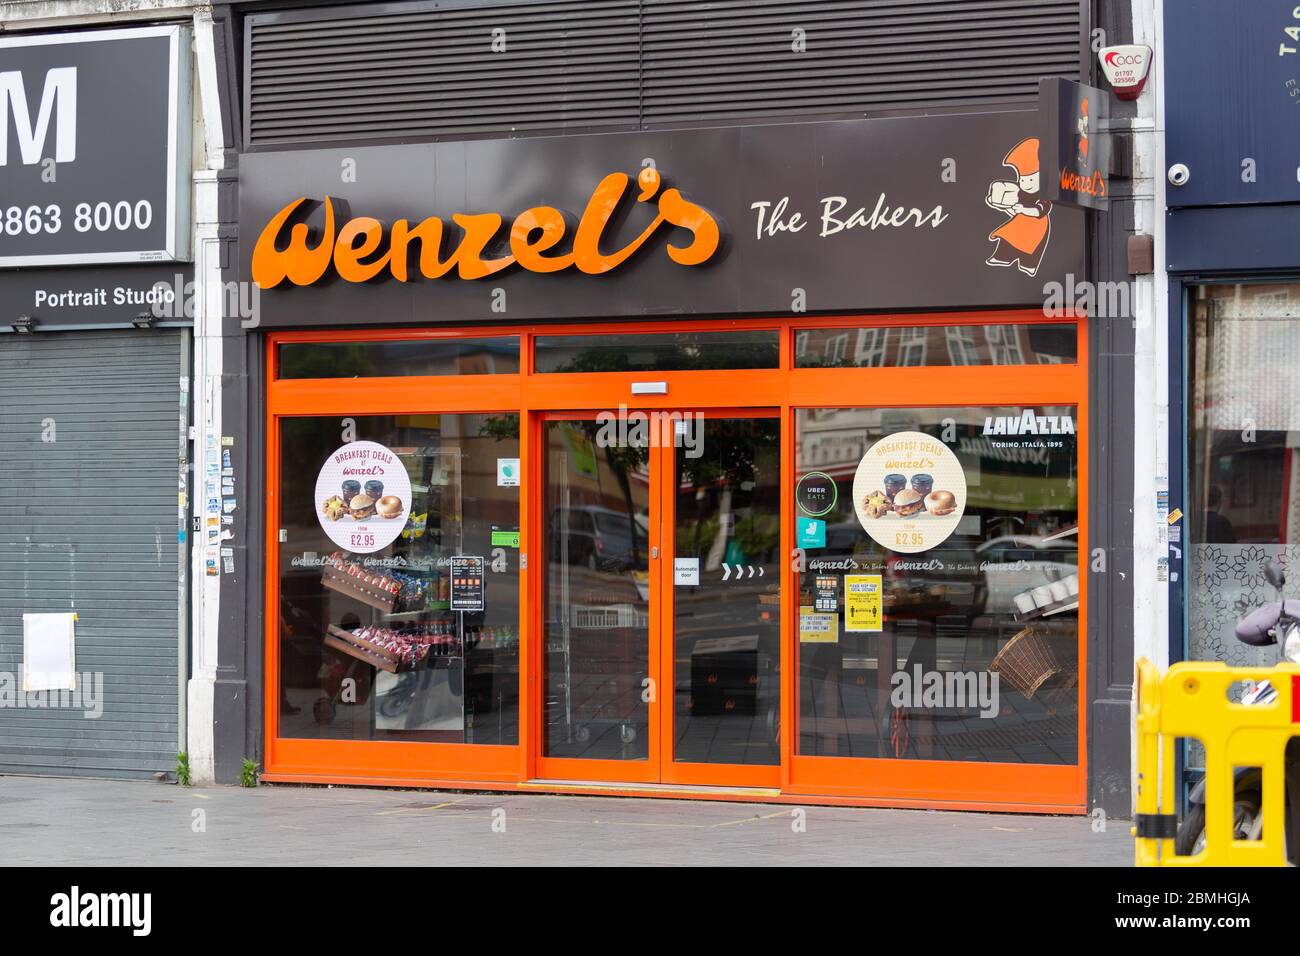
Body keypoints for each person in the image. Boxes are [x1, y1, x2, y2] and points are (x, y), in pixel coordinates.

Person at [986, 138, 1053, 277]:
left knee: (1032, 247)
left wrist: (1022, 210)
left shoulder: (1044, 195)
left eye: (1030, 179)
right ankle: (1002, 258)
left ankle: (1028, 265)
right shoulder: (1020, 192)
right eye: (1023, 180)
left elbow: (1038, 211)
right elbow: (1013, 209)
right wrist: (1002, 205)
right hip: (1020, 221)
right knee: (1008, 236)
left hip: (1037, 226)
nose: (1026, 183)